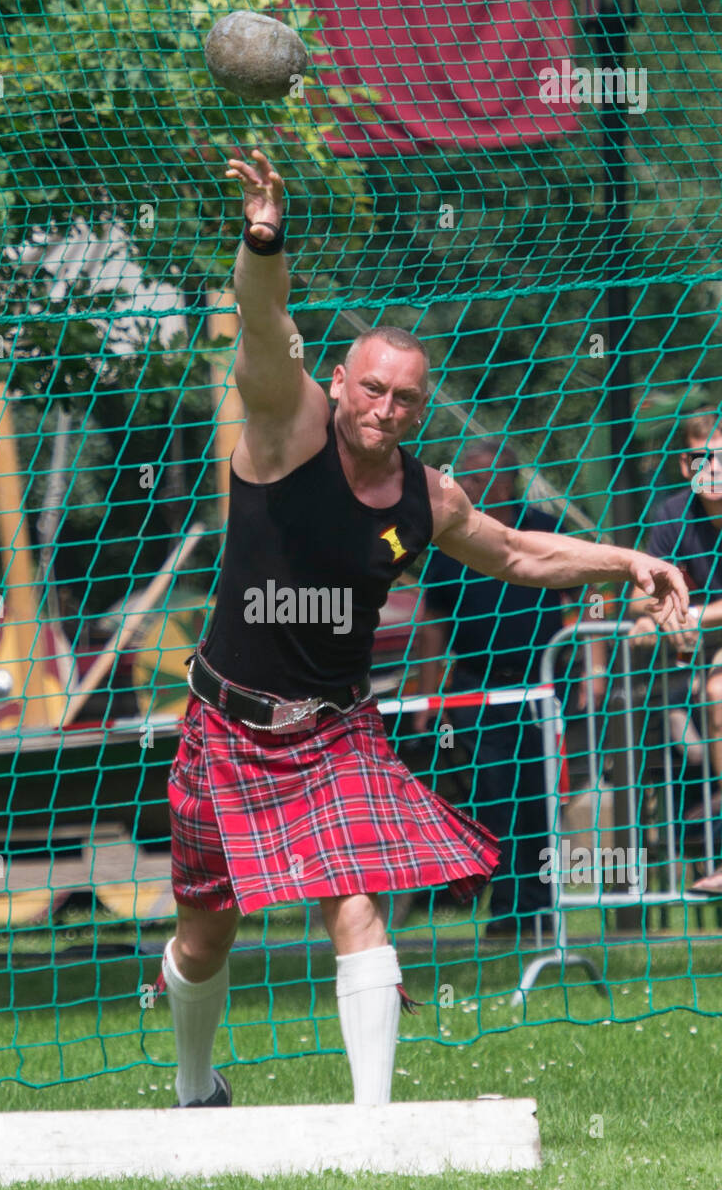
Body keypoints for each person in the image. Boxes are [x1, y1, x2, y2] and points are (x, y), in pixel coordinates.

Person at [158, 147, 689, 1109]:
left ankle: (375, 1130)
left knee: (355, 900)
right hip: (227, 725)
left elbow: (519, 554)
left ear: (418, 400)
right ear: (341, 381)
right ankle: (196, 1089)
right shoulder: (285, 425)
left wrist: (628, 560)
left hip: (334, 729)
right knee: (206, 930)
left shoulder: (425, 493)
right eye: (371, 388)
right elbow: (261, 323)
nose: (385, 407)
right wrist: (264, 232)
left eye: (405, 395)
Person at [414, 439, 591, 936]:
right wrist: (430, 698)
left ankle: (537, 909)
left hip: (543, 690)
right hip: (477, 691)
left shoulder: (543, 528)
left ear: (506, 479)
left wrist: (591, 665)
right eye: (465, 477)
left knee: (539, 799)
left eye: (476, 477)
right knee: (495, 798)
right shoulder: (450, 539)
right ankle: (509, 912)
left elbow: (588, 592)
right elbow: (432, 622)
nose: (467, 485)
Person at [630, 409, 722, 893]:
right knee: (665, 739)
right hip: (683, 676)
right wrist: (655, 616)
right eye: (700, 457)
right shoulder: (671, 514)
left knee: (719, 689)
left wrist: (692, 617)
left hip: (709, 668)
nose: (711, 467)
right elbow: (638, 592)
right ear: (686, 464)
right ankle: (692, 849)